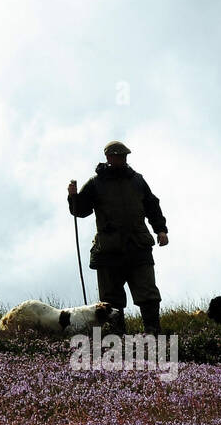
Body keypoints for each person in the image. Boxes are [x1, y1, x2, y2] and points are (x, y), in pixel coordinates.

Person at [67, 141, 169, 335]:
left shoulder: (137, 180)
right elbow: (80, 210)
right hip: (109, 250)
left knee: (148, 293)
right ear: (108, 158)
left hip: (138, 246)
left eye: (124, 156)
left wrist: (161, 230)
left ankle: (153, 331)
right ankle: (116, 335)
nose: (122, 159)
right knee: (111, 299)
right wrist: (73, 197)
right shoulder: (96, 183)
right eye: (118, 156)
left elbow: (152, 205)